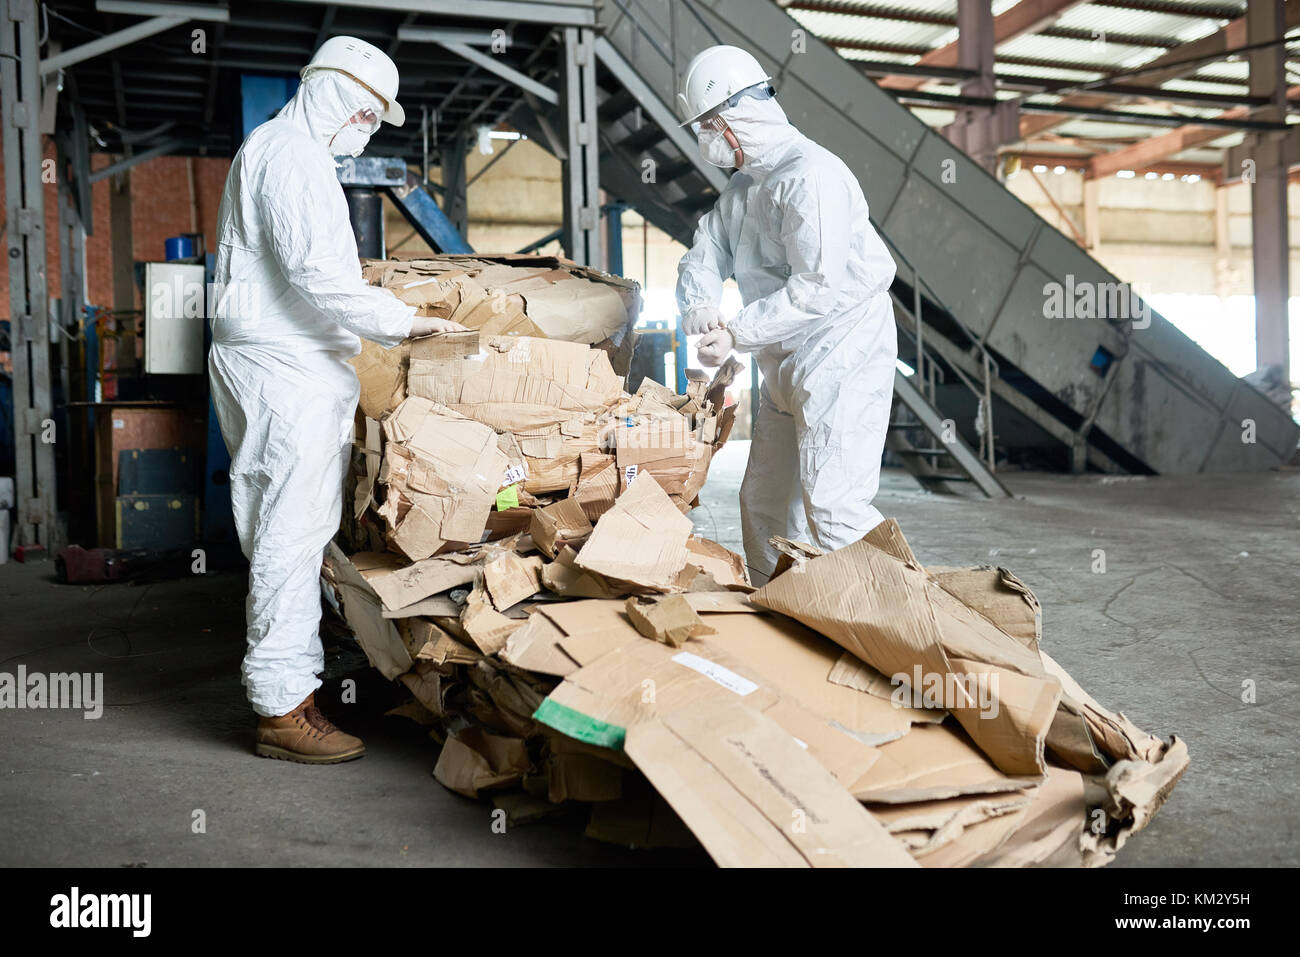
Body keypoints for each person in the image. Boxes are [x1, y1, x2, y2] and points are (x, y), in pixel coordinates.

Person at [209, 36, 463, 763]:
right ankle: (283, 707)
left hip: (278, 366)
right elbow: (320, 278)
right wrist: (406, 321)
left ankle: (295, 679)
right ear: (338, 93)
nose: (364, 131)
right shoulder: (291, 155)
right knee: (290, 534)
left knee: (284, 532)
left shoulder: (282, 150)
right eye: (365, 114)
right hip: (283, 371)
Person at [675, 45, 898, 583]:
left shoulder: (812, 175)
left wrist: (735, 335)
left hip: (840, 348)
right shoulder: (748, 186)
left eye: (705, 126)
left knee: (834, 506)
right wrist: (701, 303)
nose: (704, 140)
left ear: (732, 119)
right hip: (783, 358)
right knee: (764, 501)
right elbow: (706, 249)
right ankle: (778, 610)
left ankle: (900, 623)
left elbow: (818, 288)